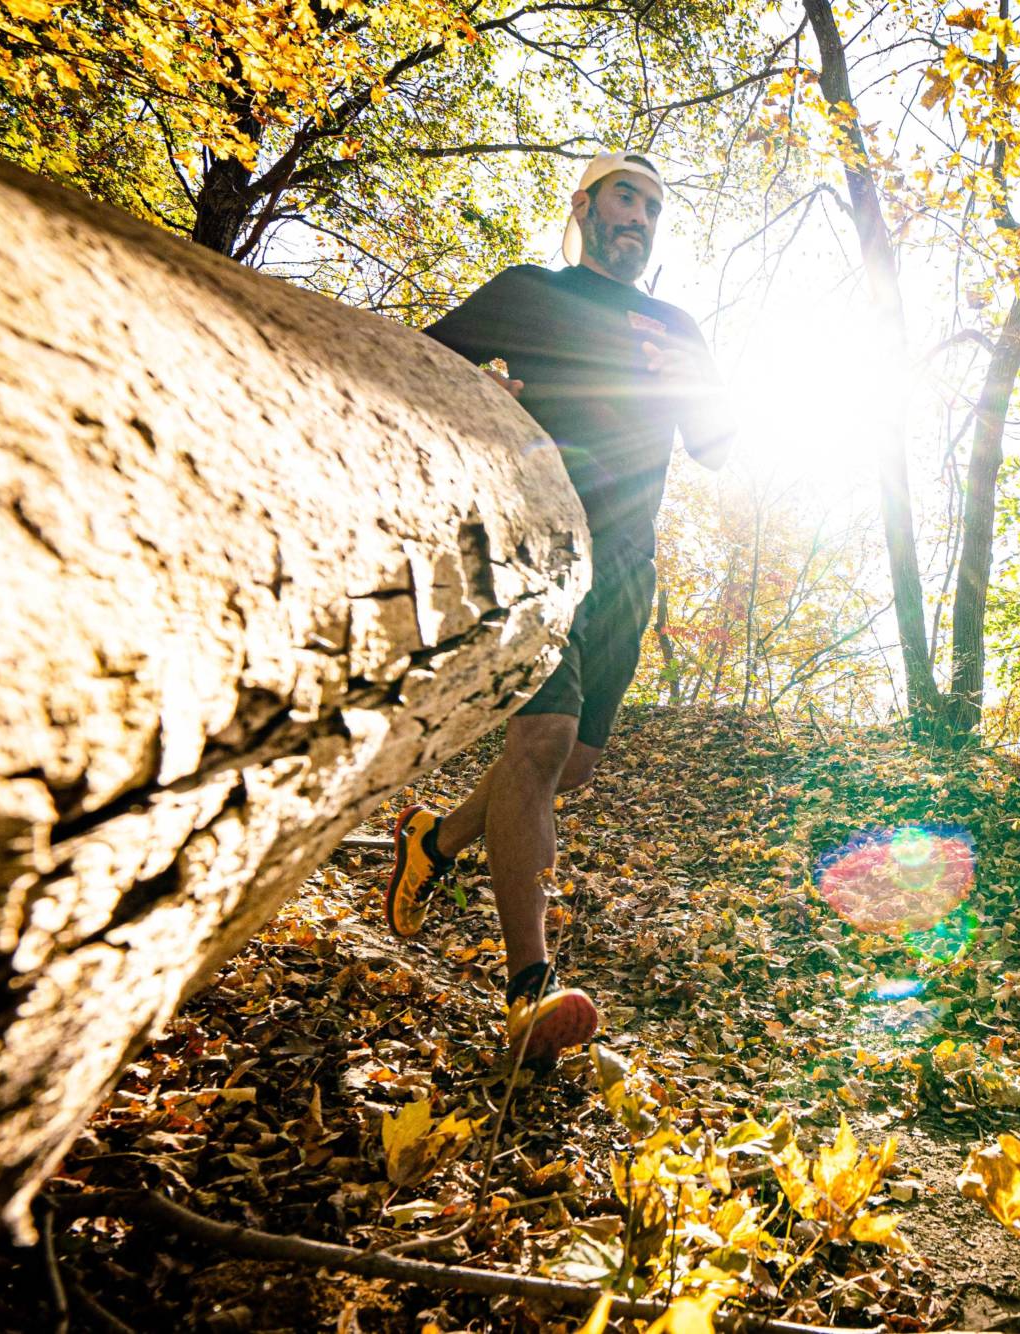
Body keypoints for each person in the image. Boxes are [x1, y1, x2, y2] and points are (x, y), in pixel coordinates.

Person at [385, 150, 735, 1069]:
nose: (642, 216)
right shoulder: (530, 292)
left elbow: (719, 447)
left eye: (656, 206)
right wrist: (477, 393)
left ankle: (435, 839)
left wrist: (698, 380)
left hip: (628, 564)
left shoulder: (674, 323)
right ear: (585, 205)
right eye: (628, 196)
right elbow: (419, 363)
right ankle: (527, 991)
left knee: (571, 766)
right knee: (537, 746)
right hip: (539, 537)